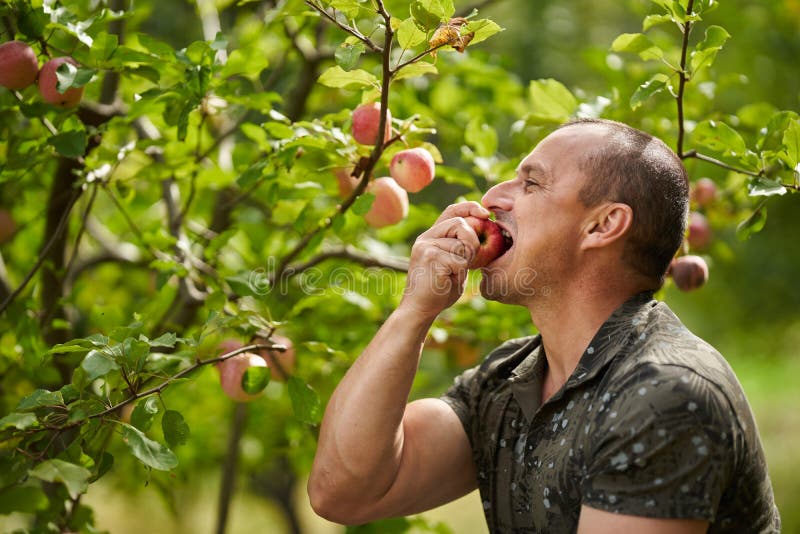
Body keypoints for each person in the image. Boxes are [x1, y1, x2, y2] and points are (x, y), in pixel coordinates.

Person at [307, 119, 781, 533]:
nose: (492, 198)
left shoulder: (666, 393)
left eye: (531, 184)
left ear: (602, 225)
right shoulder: (509, 380)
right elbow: (342, 493)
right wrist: (414, 311)